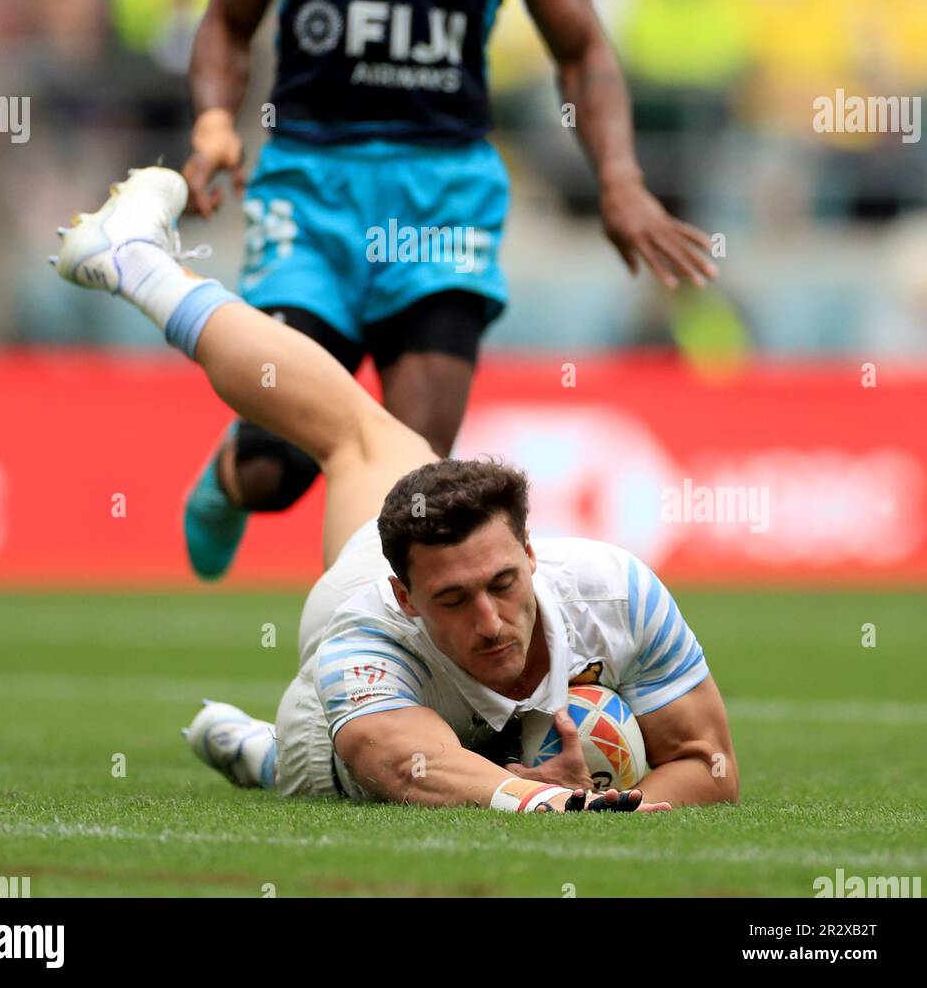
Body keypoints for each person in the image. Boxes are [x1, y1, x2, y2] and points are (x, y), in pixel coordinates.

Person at [180, 0, 717, 582]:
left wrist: (621, 181)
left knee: (410, 483)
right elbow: (228, 21)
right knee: (279, 465)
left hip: (441, 196)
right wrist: (214, 121)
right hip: (311, 183)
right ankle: (231, 475)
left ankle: (366, 681)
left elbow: (583, 50)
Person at [51, 167, 738, 813]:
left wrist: (626, 807)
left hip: (427, 178)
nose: (492, 620)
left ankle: (133, 263)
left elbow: (710, 765)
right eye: (452, 598)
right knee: (313, 770)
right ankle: (135, 266)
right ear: (405, 596)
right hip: (337, 721)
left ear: (531, 553)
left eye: (502, 582)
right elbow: (405, 761)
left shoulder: (616, 590)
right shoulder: (366, 624)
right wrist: (550, 802)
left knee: (363, 433)